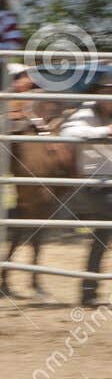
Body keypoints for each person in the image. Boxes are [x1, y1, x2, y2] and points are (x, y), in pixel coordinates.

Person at [62, 72, 112, 306]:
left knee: (101, 237)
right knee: (101, 235)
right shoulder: (85, 112)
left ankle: (89, 292)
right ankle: (89, 290)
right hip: (95, 186)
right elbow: (67, 133)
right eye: (107, 91)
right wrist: (104, 131)